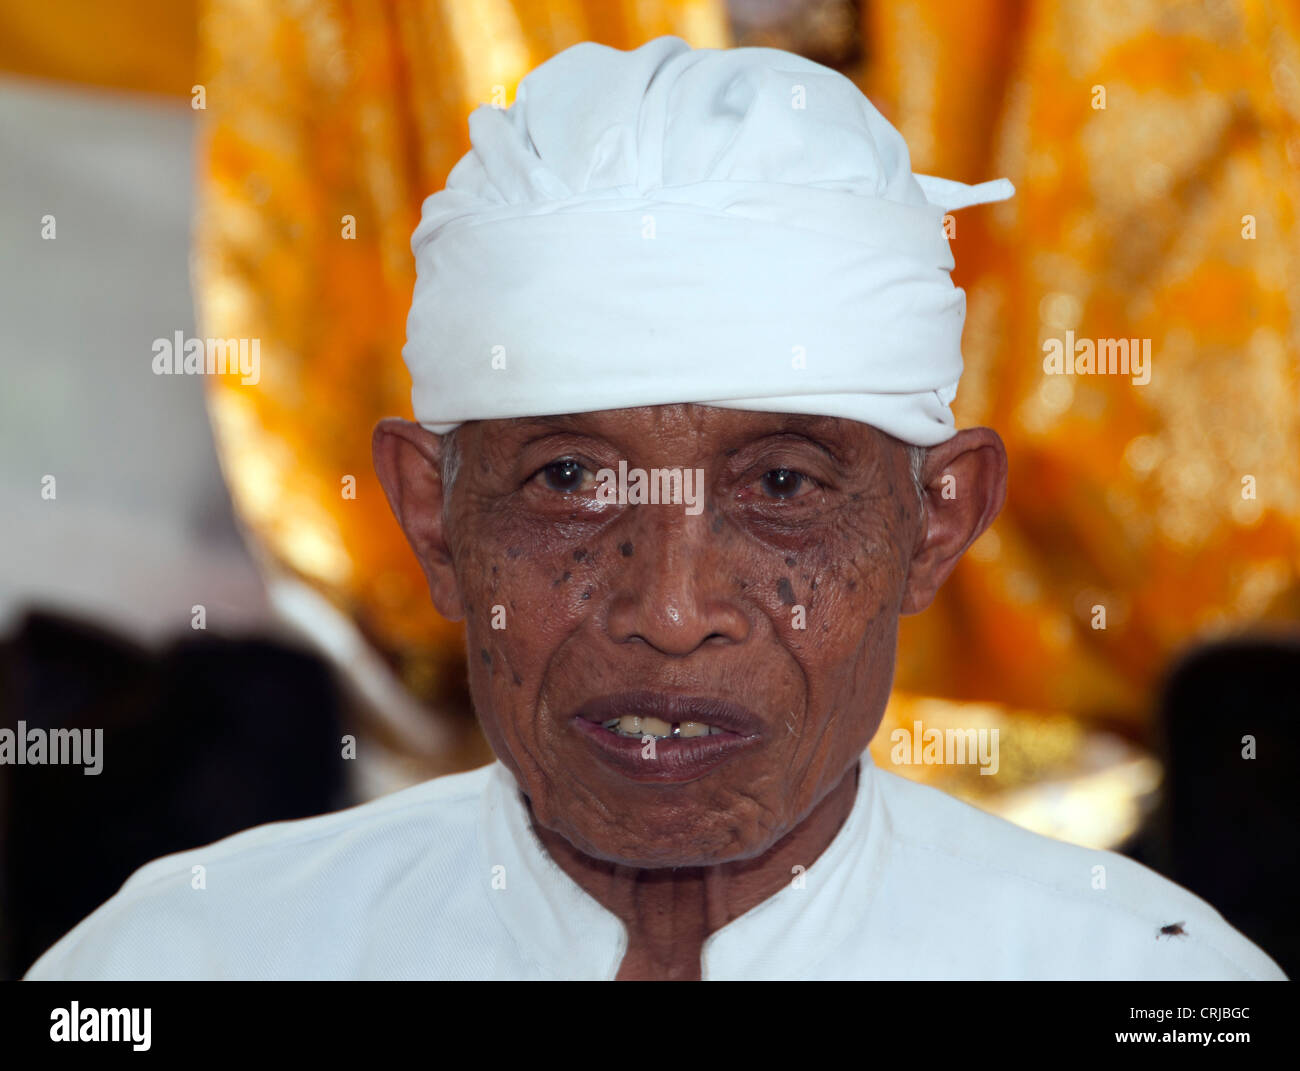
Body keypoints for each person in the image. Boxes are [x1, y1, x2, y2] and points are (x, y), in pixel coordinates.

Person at [26, 36, 1285, 981]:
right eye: (569, 481)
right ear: (430, 514)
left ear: (937, 520)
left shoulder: (1155, 985)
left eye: (781, 487)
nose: (671, 612)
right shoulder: (180, 963)